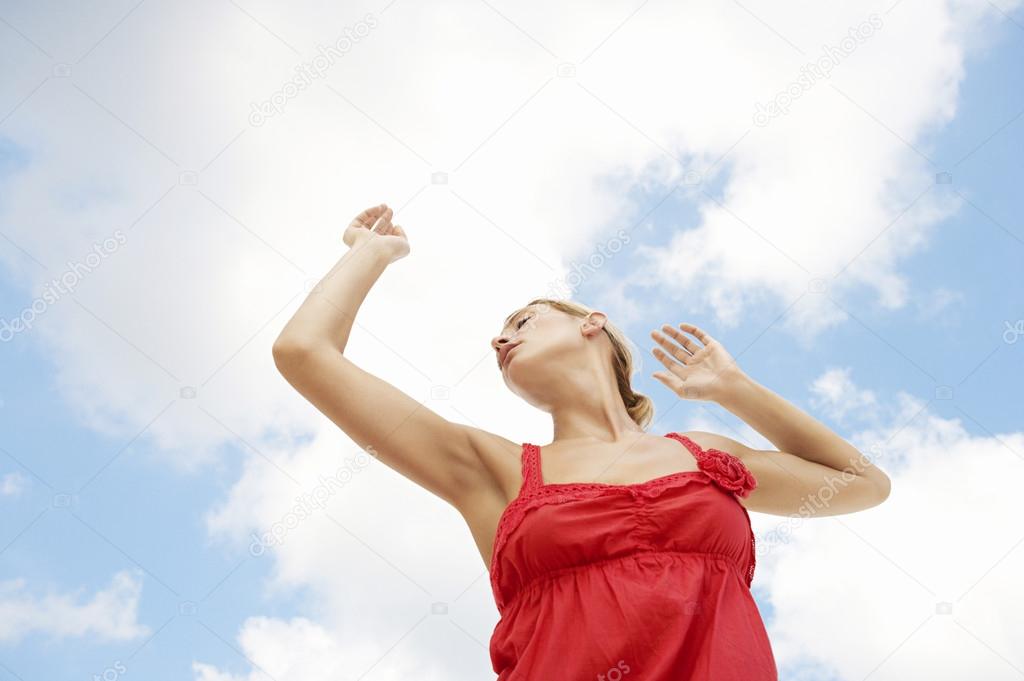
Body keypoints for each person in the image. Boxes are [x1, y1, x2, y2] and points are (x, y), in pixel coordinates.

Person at [272, 203, 892, 680]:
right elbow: (304, 352)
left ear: (592, 324)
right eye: (499, 337)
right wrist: (372, 252)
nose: (500, 340)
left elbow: (863, 483)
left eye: (522, 322)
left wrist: (735, 389)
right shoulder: (495, 470)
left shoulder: (705, 456)